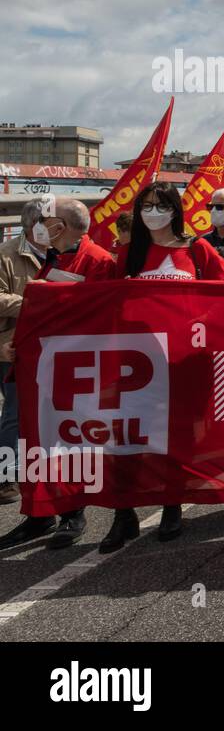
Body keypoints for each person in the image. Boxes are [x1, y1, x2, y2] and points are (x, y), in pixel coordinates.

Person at [101, 183, 224, 552]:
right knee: (126, 437)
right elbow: (101, 306)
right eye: (146, 206)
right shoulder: (127, 254)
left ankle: (172, 504)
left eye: (160, 205)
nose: (152, 212)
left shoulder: (198, 248)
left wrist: (196, 321)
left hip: (183, 360)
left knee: (177, 434)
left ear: (176, 210)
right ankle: (122, 513)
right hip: (135, 363)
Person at [0, 197, 115, 549]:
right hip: (35, 365)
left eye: (48, 219)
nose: (42, 223)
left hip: (72, 368)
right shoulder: (50, 256)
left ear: (61, 226)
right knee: (35, 440)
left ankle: (72, 513)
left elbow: (99, 314)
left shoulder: (97, 260)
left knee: (70, 440)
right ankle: (39, 513)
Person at [0, 201, 48, 506]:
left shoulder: (63, 253)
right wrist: (36, 300)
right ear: (35, 225)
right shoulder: (6, 255)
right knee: (13, 416)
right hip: (12, 348)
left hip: (51, 348)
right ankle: (5, 479)